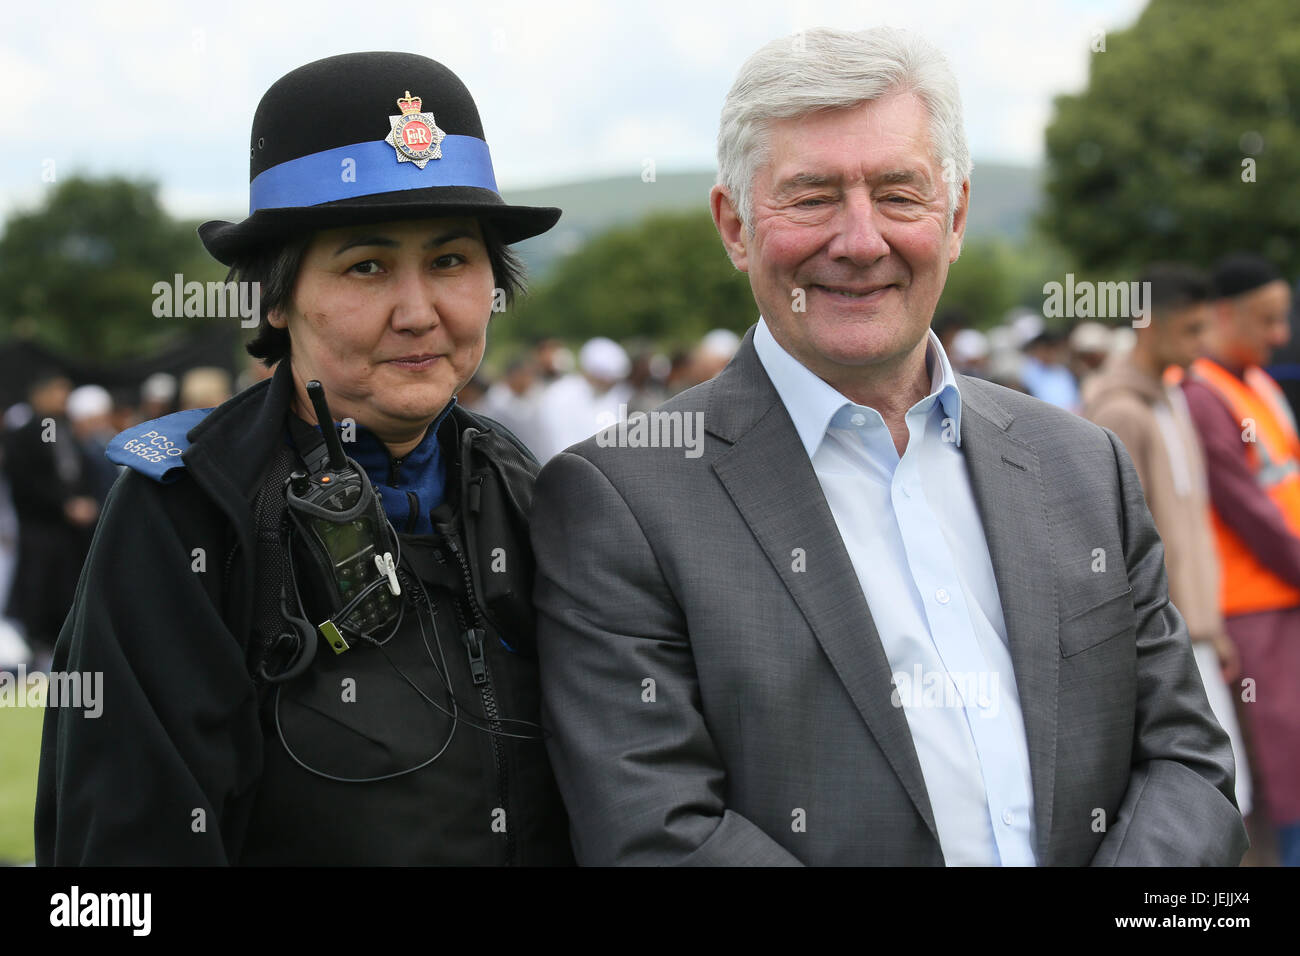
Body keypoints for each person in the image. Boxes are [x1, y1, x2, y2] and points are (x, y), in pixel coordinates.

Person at [531, 26, 1246, 866]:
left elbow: (1188, 765)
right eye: (812, 196)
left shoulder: (1082, 466)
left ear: (956, 217)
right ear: (734, 225)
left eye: (899, 193)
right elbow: (657, 833)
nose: (861, 240)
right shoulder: (623, 499)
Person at [36, 52, 572, 865]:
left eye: (452, 261)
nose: (419, 312)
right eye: (367, 267)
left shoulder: (525, 486)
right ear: (277, 298)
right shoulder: (188, 510)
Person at [1081, 264, 1252, 823]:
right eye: (1191, 330)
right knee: (1205, 810)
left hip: (1195, 632)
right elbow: (1112, 546)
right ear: (1149, 324)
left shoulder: (1170, 398)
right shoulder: (1119, 411)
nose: (1203, 344)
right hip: (1161, 642)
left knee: (1225, 803)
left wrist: (1212, 625)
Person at [1182, 253, 1300, 866]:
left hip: (1284, 599)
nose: (1280, 335)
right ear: (1222, 314)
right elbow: (1253, 514)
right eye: (1267, 320)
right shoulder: (1204, 397)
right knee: (1278, 768)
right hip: (1251, 608)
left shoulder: (1259, 384)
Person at [2, 372, 98, 667]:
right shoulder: (24, 432)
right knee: (38, 588)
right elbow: (27, 480)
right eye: (57, 391)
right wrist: (63, 504)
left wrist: (83, 500)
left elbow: (75, 472)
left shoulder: (65, 430)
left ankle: (63, 647)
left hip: (67, 533)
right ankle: (34, 652)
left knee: (66, 588)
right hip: (39, 529)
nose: (62, 398)